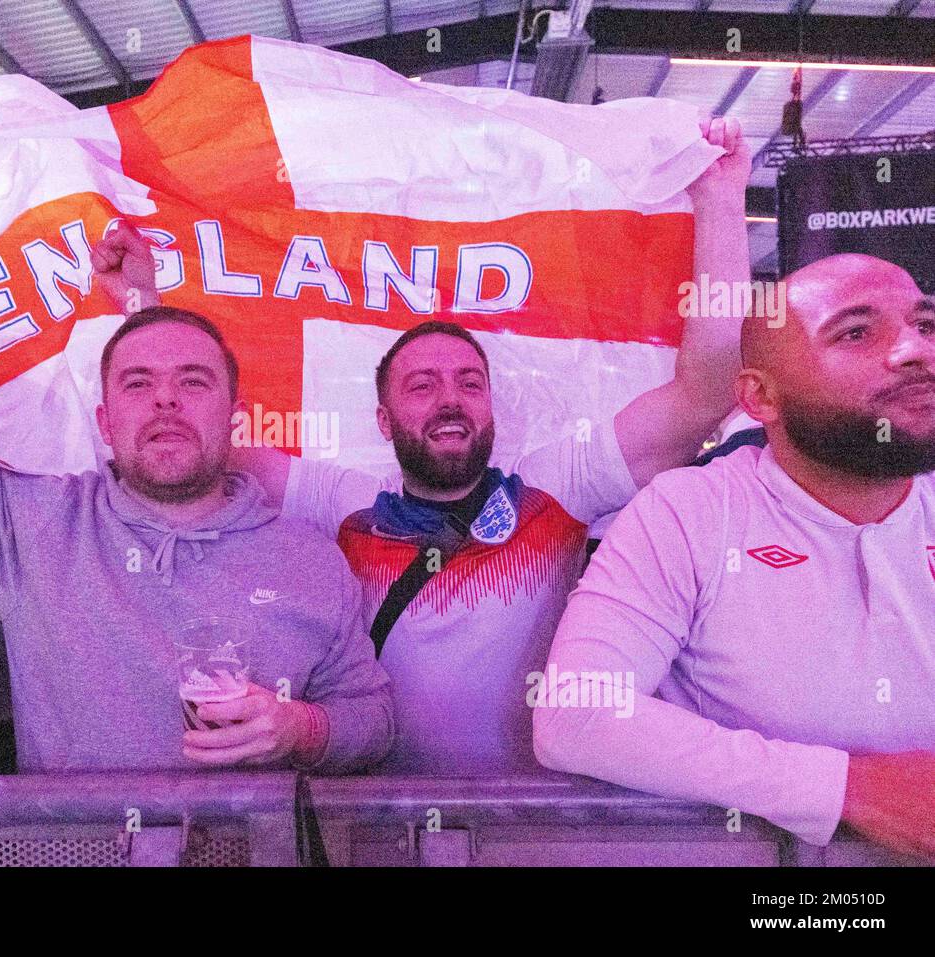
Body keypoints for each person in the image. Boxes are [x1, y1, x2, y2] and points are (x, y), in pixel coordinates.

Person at [0, 123, 394, 773]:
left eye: (194, 382)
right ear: (105, 423)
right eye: (138, 385)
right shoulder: (28, 524)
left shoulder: (309, 555)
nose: (166, 399)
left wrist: (305, 728)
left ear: (238, 416)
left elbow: (372, 715)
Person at [176, 117, 747, 774]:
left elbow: (705, 392)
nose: (450, 398)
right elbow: (200, 439)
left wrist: (721, 201)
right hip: (379, 823)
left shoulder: (553, 489)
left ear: (491, 406)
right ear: (385, 421)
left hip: (539, 825)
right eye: (422, 385)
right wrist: (139, 302)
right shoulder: (348, 504)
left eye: (468, 382)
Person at [534, 254, 935, 860]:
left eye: (924, 324)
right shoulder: (690, 512)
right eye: (856, 332)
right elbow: (578, 712)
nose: (914, 351)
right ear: (759, 397)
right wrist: (842, 787)